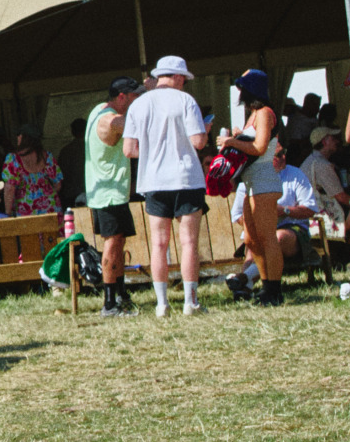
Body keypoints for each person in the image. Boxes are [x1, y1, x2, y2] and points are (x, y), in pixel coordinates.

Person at [123, 56, 208, 317]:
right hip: (185, 178)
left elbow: (129, 149)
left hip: (154, 180)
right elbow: (199, 141)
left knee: (159, 244)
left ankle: (161, 303)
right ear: (179, 77)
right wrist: (206, 129)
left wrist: (152, 151)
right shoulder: (186, 101)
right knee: (188, 242)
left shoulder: (139, 105)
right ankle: (190, 301)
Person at [220, 66, 287, 308]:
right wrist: (239, 137)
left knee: (267, 237)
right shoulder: (255, 114)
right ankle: (266, 283)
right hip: (251, 181)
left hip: (264, 179)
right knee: (251, 238)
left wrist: (232, 142)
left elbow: (259, 148)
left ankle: (273, 289)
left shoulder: (264, 113)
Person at [83, 76, 138, 316]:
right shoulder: (112, 120)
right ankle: (108, 303)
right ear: (122, 97)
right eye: (134, 96)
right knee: (112, 244)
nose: (137, 100)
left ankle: (120, 293)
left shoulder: (98, 109)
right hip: (108, 194)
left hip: (114, 192)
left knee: (119, 243)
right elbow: (133, 127)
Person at [0, 124, 61, 218]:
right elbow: (58, 185)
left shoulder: (13, 159)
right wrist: (43, 194)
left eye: (19, 134)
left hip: (26, 209)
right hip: (49, 208)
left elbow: (9, 188)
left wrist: (7, 213)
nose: (17, 137)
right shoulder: (47, 157)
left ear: (23, 137)